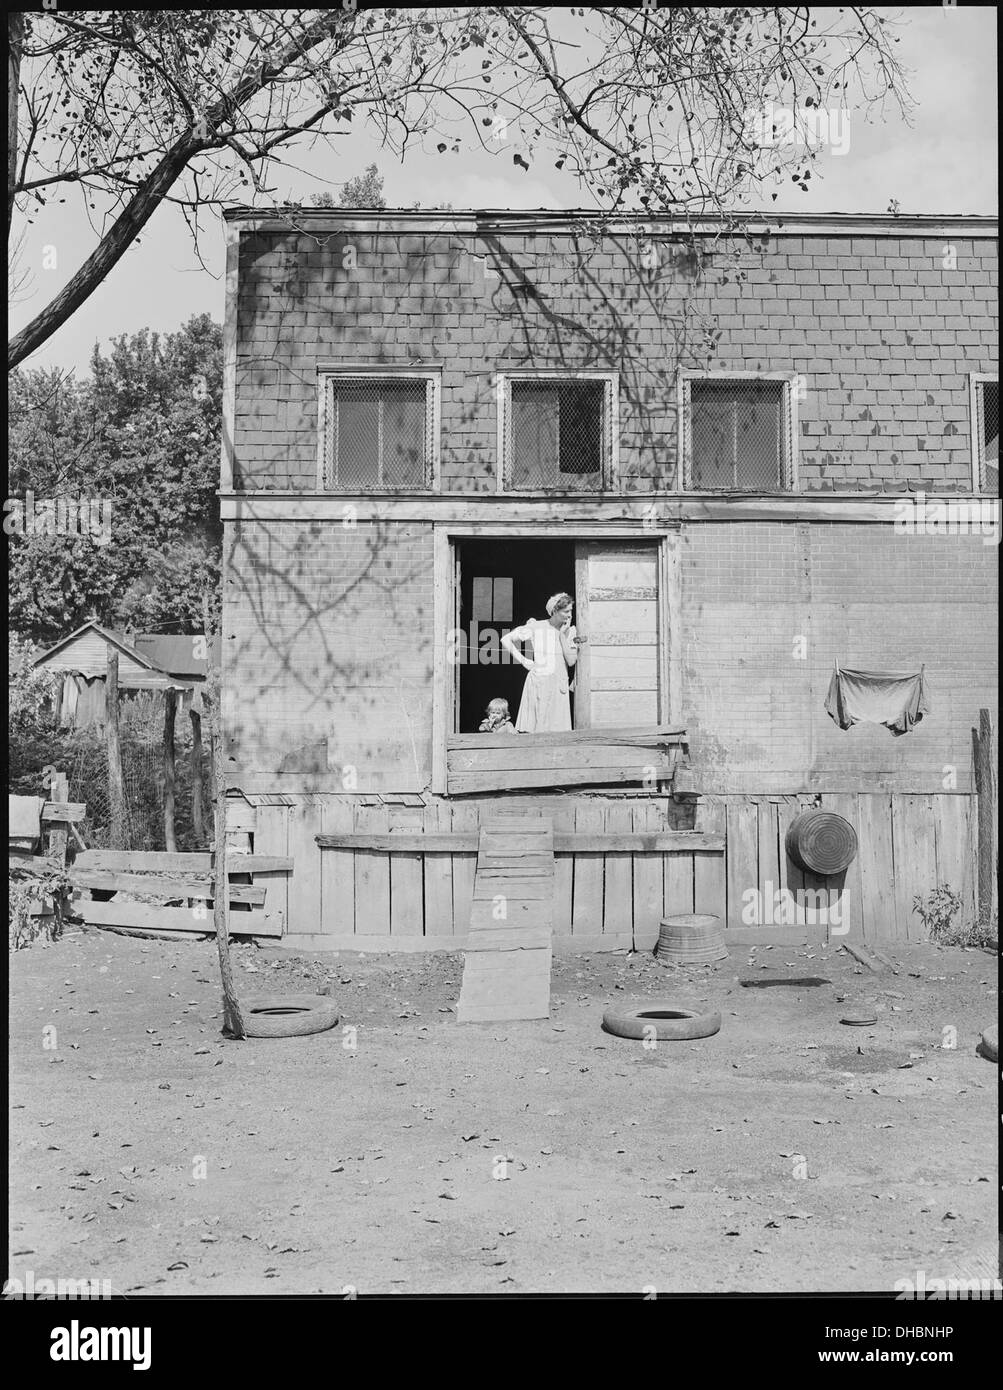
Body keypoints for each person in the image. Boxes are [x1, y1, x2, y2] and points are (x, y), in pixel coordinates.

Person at [501, 591, 579, 733]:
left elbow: (571, 661)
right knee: (538, 728)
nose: (569, 615)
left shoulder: (570, 631)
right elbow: (506, 640)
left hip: (558, 685)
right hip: (540, 683)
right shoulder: (537, 627)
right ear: (555, 611)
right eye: (566, 611)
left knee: (558, 730)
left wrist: (562, 635)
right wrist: (524, 661)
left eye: (571, 611)